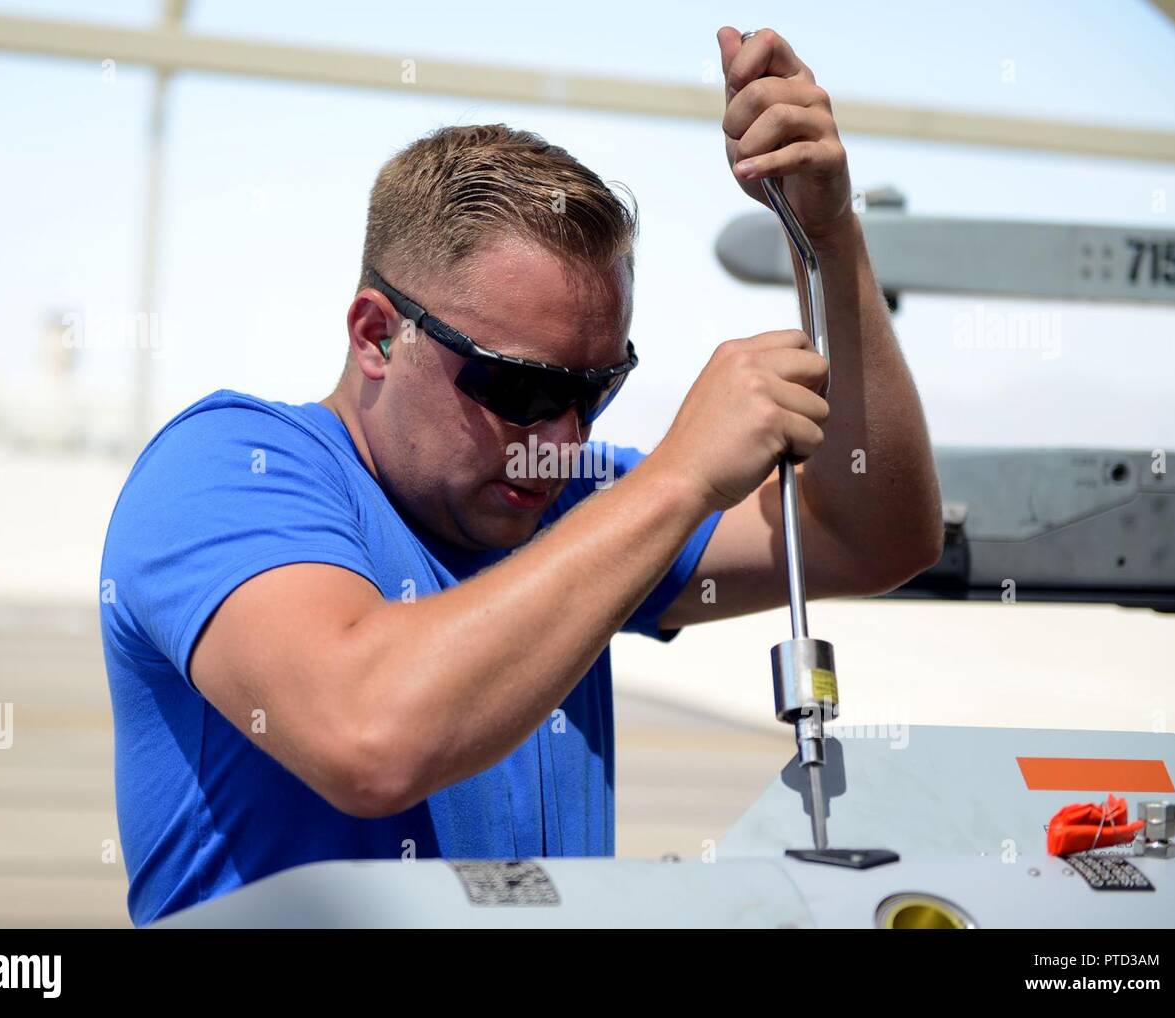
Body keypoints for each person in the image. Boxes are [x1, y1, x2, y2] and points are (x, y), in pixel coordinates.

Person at [99, 26, 943, 926]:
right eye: (520, 386)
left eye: (596, 389)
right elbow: (369, 737)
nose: (564, 437)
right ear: (377, 334)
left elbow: (874, 533)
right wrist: (678, 479)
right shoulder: (228, 468)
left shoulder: (579, 509)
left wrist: (828, 237)